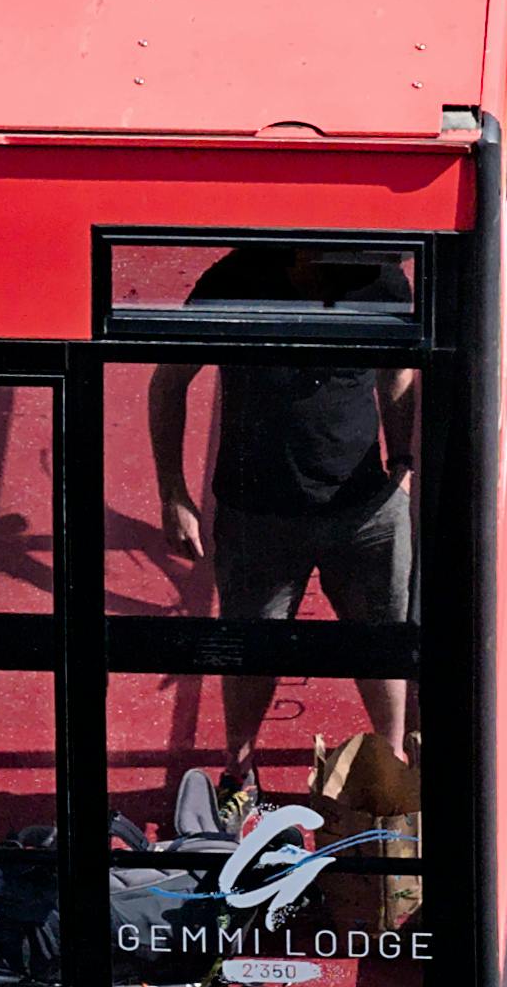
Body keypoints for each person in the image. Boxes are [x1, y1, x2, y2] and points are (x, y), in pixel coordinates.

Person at [147, 244, 419, 785]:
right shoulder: (233, 282)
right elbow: (169, 379)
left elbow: (398, 372)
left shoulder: (382, 283)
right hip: (258, 514)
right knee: (251, 646)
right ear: (302, 253)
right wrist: (174, 493)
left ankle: (391, 766)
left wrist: (403, 465)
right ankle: (239, 772)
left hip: (366, 507)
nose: (360, 272)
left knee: (382, 639)